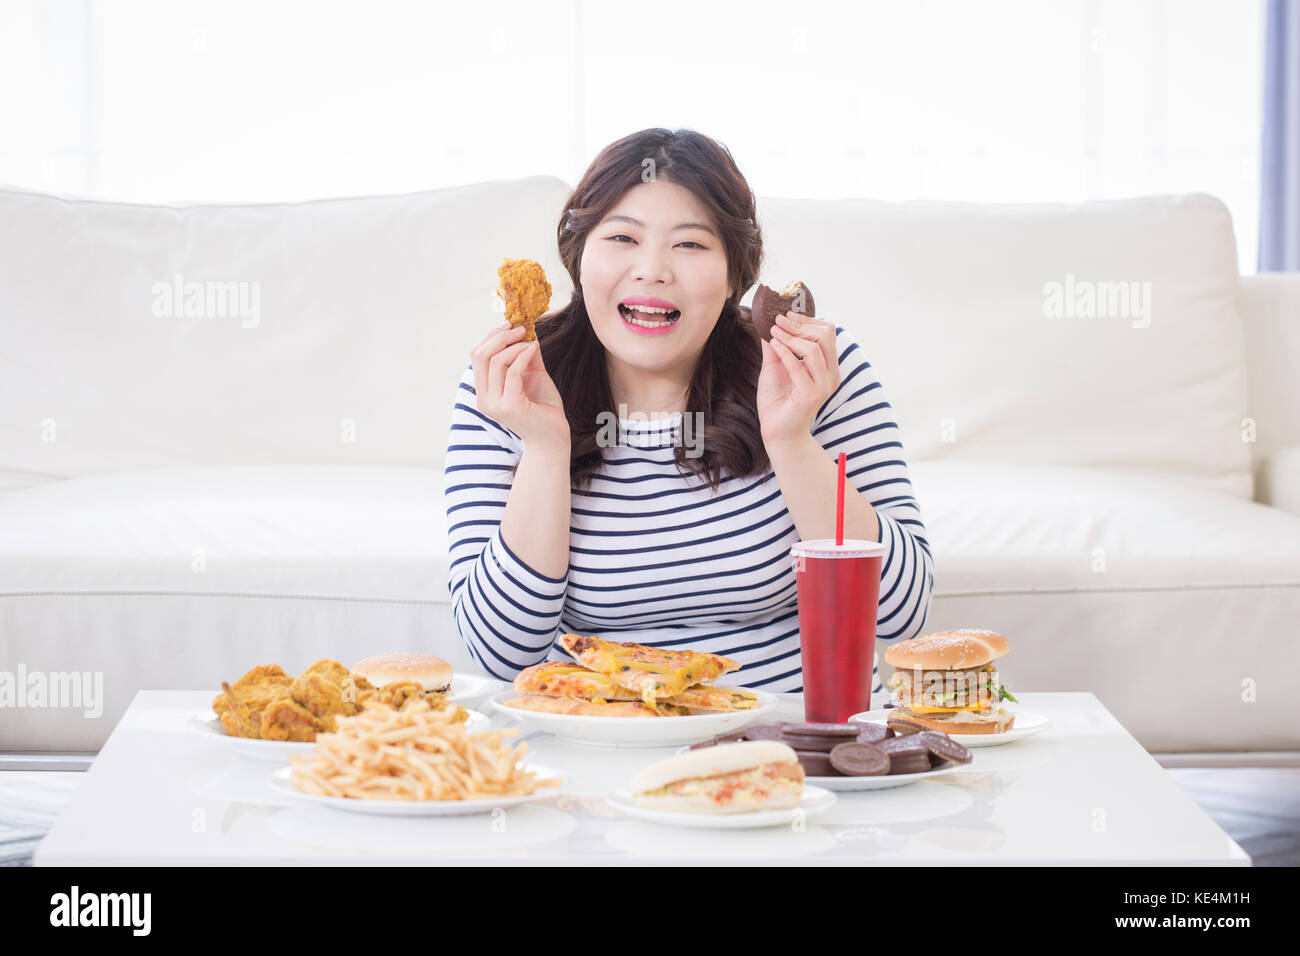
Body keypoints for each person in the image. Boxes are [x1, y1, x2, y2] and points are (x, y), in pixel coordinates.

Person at [443, 128, 933, 697]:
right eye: (623, 237)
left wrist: (792, 441)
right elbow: (503, 653)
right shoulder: (509, 384)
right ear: (579, 260)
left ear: (735, 276)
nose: (652, 270)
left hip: (787, 740)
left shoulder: (811, 366)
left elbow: (902, 617)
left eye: (691, 244)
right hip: (595, 735)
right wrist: (545, 449)